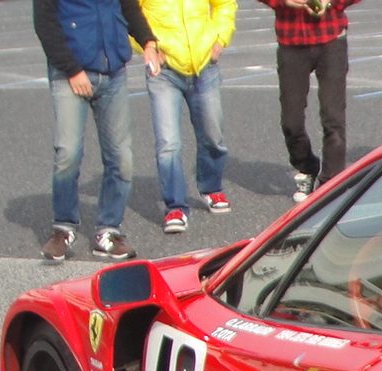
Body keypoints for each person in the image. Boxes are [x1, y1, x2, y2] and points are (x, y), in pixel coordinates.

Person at [35, 0, 161, 261]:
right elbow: (45, 24)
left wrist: (148, 41)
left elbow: (128, 7)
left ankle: (108, 230)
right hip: (70, 74)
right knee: (68, 153)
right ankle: (63, 228)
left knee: (121, 158)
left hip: (113, 71)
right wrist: (72, 69)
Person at [139, 0, 237, 235]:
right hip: (164, 71)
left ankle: (211, 186)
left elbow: (224, 5)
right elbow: (130, 13)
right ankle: (175, 206)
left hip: (205, 66)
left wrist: (220, 39)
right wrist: (147, 47)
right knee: (168, 143)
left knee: (213, 135)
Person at [259, 0, 360, 203]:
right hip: (291, 42)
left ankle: (330, 184)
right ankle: (307, 167)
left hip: (331, 39)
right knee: (291, 121)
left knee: (333, 118)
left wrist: (331, 2)